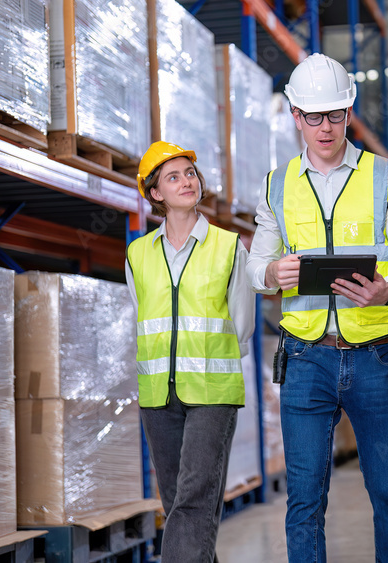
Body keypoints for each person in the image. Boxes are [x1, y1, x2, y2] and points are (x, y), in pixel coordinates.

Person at [246, 53, 388, 563]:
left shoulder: (385, 176)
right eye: (312, 117)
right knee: (305, 499)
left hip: (377, 356)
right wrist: (270, 274)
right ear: (295, 116)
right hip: (305, 359)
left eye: (334, 115)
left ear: (349, 112)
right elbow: (255, 264)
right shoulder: (276, 185)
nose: (324, 128)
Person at [126, 141, 254, 563]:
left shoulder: (228, 246)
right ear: (156, 194)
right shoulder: (137, 254)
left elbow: (243, 324)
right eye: (173, 176)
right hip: (159, 397)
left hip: (212, 392)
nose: (187, 181)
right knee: (179, 504)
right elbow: (141, 315)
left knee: (193, 500)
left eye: (191, 173)